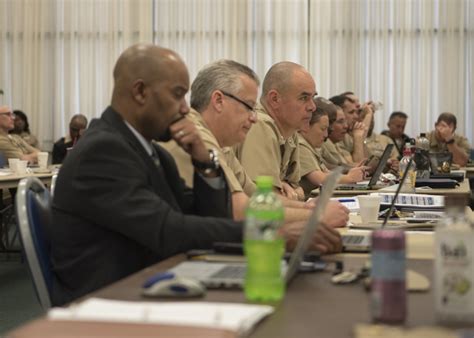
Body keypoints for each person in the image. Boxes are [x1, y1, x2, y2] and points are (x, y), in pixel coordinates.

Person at [49, 44, 342, 306]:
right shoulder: (103, 151)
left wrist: (205, 164)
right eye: (177, 94)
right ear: (140, 92)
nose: (185, 107)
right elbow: (169, 230)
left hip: (150, 283)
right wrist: (270, 234)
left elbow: (207, 216)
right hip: (111, 300)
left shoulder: (151, 150)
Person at [163, 60, 349, 226]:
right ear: (218, 101)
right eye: (249, 107)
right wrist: (316, 216)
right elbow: (239, 211)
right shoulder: (196, 135)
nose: (254, 118)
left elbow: (259, 198)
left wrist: (308, 208)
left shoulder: (221, 143)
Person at [234, 62, 314, 201]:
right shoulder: (259, 124)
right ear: (275, 99)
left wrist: (289, 192)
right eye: (303, 98)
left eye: (313, 98)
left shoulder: (290, 131)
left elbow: (297, 190)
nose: (312, 107)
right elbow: (265, 200)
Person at [299, 97, 366, 197]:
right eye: (323, 129)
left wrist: (350, 174)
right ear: (306, 126)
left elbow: (326, 172)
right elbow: (320, 179)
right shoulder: (300, 146)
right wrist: (349, 178)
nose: (326, 135)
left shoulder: (310, 147)